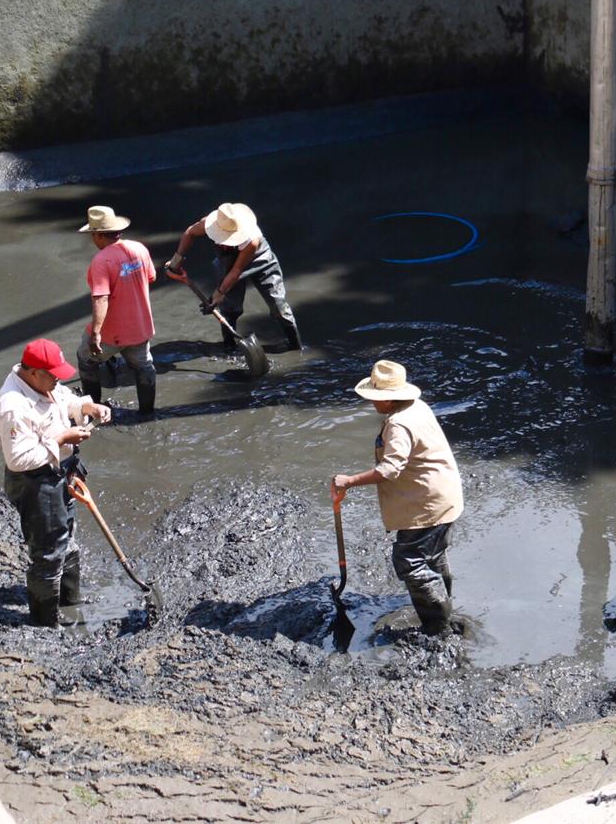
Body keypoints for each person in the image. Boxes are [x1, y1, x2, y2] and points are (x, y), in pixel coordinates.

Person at [330, 360, 463, 634]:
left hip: (427, 504)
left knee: (408, 560)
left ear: (389, 399)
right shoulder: (417, 407)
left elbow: (390, 469)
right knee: (434, 556)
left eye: (373, 397)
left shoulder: (399, 424)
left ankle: (438, 627)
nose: (370, 402)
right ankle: (446, 610)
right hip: (444, 495)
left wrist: (349, 481)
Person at [0, 338, 111, 626]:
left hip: (60, 471)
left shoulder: (44, 383)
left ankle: (70, 602)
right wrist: (62, 439)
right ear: (33, 373)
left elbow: (65, 399)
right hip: (35, 481)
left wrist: (88, 407)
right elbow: (18, 459)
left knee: (66, 538)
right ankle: (45, 621)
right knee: (47, 552)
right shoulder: (13, 407)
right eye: (53, 374)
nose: (58, 380)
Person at [165, 202, 301, 352]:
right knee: (230, 308)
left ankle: (295, 346)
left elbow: (237, 270)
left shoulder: (252, 239)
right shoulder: (208, 223)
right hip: (227, 260)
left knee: (279, 306)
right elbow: (190, 233)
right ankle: (230, 348)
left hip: (260, 258)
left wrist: (219, 292)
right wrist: (176, 261)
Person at [75, 205, 158, 415]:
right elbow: (151, 278)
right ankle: (147, 413)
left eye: (93, 234)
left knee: (86, 359)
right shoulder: (139, 248)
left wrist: (95, 333)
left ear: (99, 235)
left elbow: (101, 298)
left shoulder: (101, 261)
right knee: (144, 366)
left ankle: (93, 410)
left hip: (112, 332)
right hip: (140, 327)